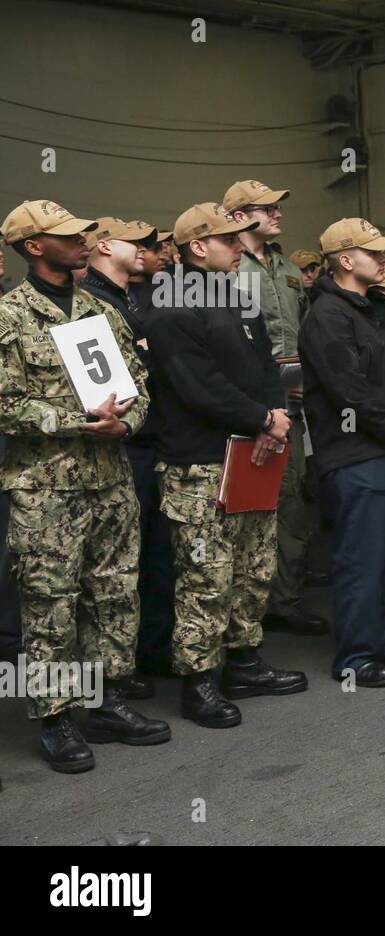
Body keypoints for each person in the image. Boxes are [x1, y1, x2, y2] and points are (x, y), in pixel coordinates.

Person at [1, 200, 169, 772]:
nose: (82, 241)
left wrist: (129, 421)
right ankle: (55, 718)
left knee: (115, 594)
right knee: (50, 603)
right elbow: (5, 405)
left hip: (110, 481)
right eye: (67, 236)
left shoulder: (100, 312)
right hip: (46, 491)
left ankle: (106, 702)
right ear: (33, 247)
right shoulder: (10, 317)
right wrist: (75, 417)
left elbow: (140, 385)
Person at [148, 202, 308, 726]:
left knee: (253, 566)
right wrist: (262, 417)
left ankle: (243, 660)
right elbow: (197, 386)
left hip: (252, 451)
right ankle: (199, 681)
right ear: (198, 246)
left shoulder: (236, 297)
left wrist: (277, 416)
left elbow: (265, 366)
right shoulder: (171, 303)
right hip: (200, 463)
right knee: (206, 577)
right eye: (231, 240)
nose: (242, 247)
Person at [300, 218, 385, 685]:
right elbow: (348, 390)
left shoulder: (375, 308)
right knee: (362, 558)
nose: (384, 260)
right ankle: (356, 656)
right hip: (355, 454)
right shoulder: (327, 317)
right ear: (345, 260)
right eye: (374, 254)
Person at [223, 180, 325, 638]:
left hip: (296, 400)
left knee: (296, 496)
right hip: (249, 403)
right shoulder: (224, 268)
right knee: (248, 504)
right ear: (241, 214)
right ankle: (240, 615)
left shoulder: (284, 265)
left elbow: (301, 331)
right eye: (268, 208)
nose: (278, 214)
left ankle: (284, 600)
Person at [81, 218, 175, 688]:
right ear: (103, 246)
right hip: (121, 446)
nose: (147, 249)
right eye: (136, 242)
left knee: (155, 554)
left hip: (150, 437)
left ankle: (151, 650)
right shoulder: (89, 304)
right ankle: (118, 668)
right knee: (116, 565)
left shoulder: (134, 297)